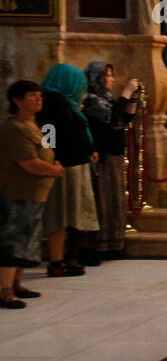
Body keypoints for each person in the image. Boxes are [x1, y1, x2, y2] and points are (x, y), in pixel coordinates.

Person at [0, 80, 63, 308]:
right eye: (32, 96)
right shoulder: (13, 127)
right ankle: (5, 289)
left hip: (36, 194)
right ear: (17, 100)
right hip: (18, 193)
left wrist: (54, 163)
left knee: (28, 241)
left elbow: (46, 151)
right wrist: (54, 170)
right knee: (12, 242)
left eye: (39, 95)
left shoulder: (37, 125)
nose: (38, 99)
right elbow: (29, 163)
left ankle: (16, 283)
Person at [37, 63, 99, 278]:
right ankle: (57, 261)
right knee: (60, 216)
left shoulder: (62, 103)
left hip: (70, 165)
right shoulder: (53, 103)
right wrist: (54, 157)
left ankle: (62, 259)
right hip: (64, 167)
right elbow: (49, 134)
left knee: (67, 216)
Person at [81, 61, 139, 264]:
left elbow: (124, 120)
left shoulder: (105, 99)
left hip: (114, 156)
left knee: (115, 200)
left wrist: (132, 99)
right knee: (103, 201)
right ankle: (99, 246)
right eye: (107, 75)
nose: (111, 79)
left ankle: (114, 244)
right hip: (102, 157)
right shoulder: (93, 101)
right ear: (96, 78)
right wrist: (125, 93)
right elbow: (114, 119)